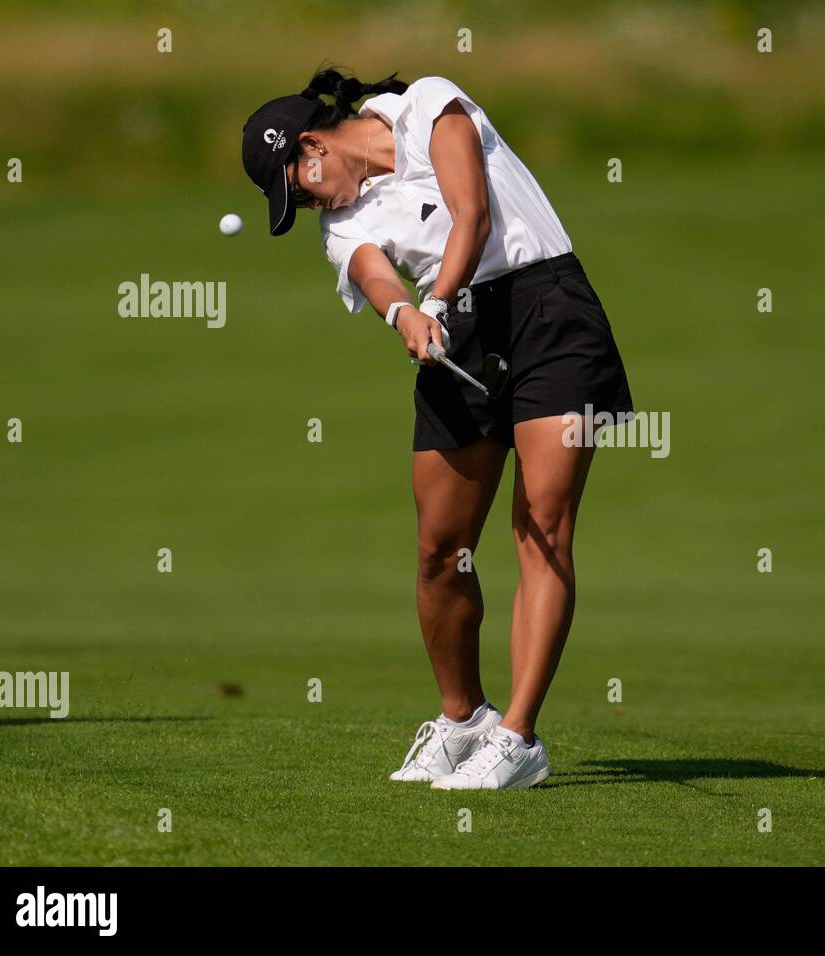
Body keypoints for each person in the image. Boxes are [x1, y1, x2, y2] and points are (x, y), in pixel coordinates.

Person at [241, 69, 634, 790]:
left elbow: (471, 212)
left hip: (549, 312)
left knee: (541, 526)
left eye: (299, 189)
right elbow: (372, 273)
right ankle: (464, 721)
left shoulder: (428, 104)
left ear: (312, 145)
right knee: (438, 549)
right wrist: (404, 315)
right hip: (455, 339)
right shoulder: (343, 222)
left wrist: (439, 298)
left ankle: (518, 738)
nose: (309, 207)